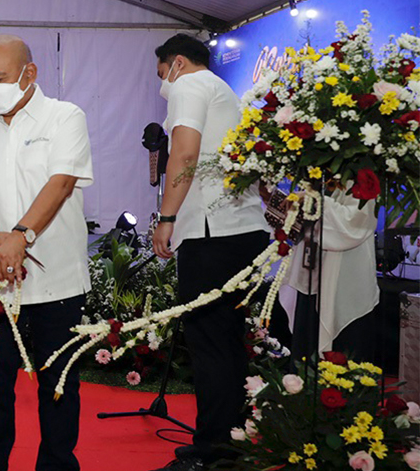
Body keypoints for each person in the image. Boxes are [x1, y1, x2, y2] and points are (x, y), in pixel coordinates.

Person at [0, 35, 94, 471]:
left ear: (30, 73)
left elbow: (62, 182)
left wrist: (21, 236)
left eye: (0, 78)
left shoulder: (64, 117)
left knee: (58, 385)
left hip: (58, 282)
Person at [149, 34, 270, 471]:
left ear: (177, 63)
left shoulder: (189, 86)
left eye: (162, 73)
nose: (163, 83)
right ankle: (229, 439)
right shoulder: (224, 92)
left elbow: (184, 153)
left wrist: (166, 218)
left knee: (210, 346)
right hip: (242, 233)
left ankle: (212, 452)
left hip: (211, 234)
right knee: (227, 344)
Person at [284, 188, 378, 359]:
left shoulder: (361, 173)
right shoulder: (314, 173)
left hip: (346, 281)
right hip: (310, 274)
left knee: (344, 361)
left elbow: (354, 223)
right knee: (305, 356)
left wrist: (316, 201)